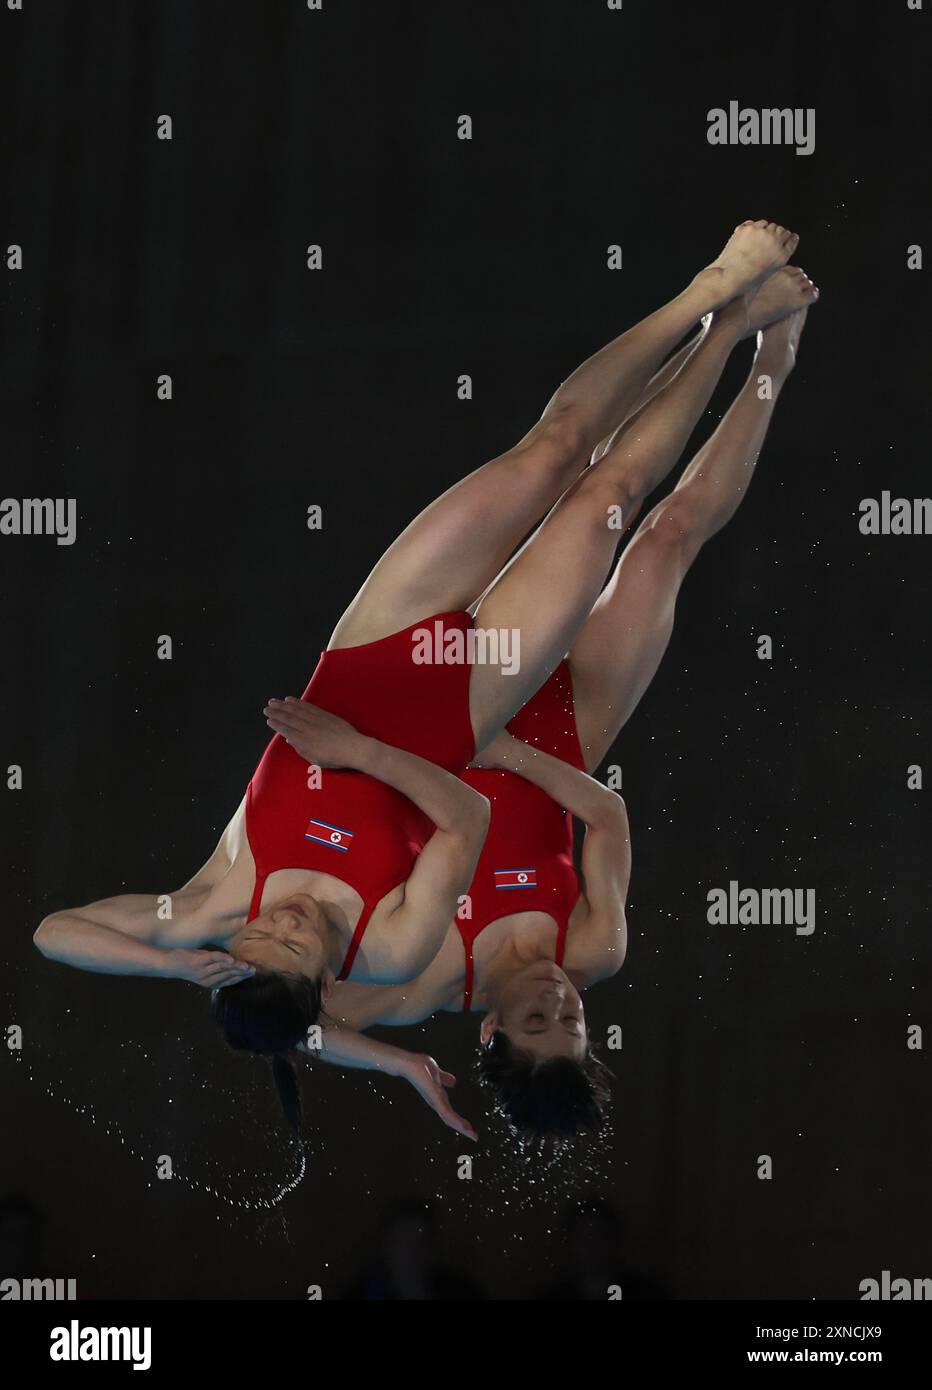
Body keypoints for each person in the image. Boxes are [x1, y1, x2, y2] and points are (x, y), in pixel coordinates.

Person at [34, 222, 802, 1131]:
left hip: (373, 647)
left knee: (552, 451)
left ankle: (704, 292)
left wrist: (172, 965)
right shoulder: (394, 954)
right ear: (323, 979)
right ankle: (731, 337)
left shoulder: (210, 903)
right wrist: (357, 754)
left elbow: (52, 933)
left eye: (254, 945)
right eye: (290, 949)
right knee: (609, 500)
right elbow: (467, 816)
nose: (277, 928)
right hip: (471, 701)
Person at [329, 277, 816, 1139]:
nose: (559, 1003)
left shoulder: (429, 974)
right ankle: (772, 356)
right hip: (567, 738)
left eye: (535, 1024)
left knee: (586, 495)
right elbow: (607, 815)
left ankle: (717, 322)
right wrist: (515, 757)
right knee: (666, 540)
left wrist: (399, 1062)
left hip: (467, 705)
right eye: (574, 1025)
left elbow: (291, 1020)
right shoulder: (594, 952)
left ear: (489, 1029)